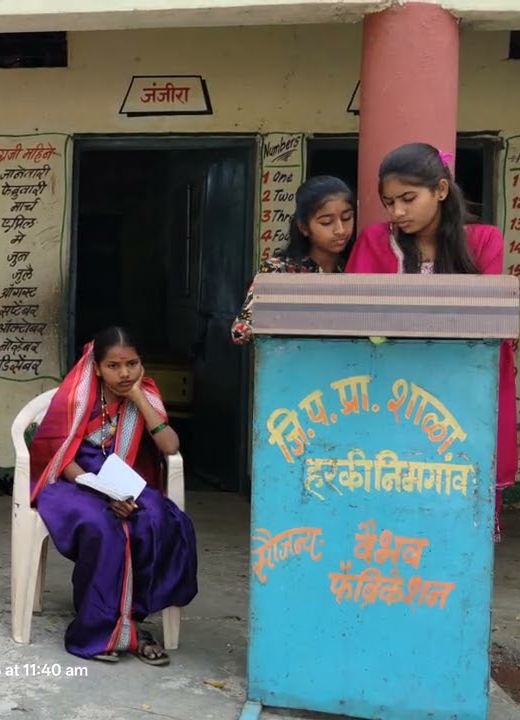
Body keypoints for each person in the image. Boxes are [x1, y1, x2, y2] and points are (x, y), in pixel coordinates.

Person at [345, 142, 517, 541]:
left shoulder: (484, 241)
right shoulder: (374, 241)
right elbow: (354, 317)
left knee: (457, 509)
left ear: (441, 190)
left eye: (408, 198)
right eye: (389, 202)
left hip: (464, 393)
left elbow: (486, 319)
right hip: (389, 395)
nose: (397, 212)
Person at [28, 326, 199, 665]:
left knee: (156, 518)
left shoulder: (144, 393)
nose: (125, 373)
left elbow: (171, 446)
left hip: (128, 482)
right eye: (114, 366)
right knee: (103, 525)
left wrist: (137, 398)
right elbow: (58, 456)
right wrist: (100, 489)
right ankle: (96, 631)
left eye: (132, 364)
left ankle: (131, 619)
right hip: (75, 484)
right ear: (96, 367)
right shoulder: (76, 396)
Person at [231, 175, 356, 344]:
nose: (340, 230)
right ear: (304, 227)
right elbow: (239, 332)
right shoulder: (278, 270)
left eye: (347, 218)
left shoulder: (353, 268)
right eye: (327, 222)